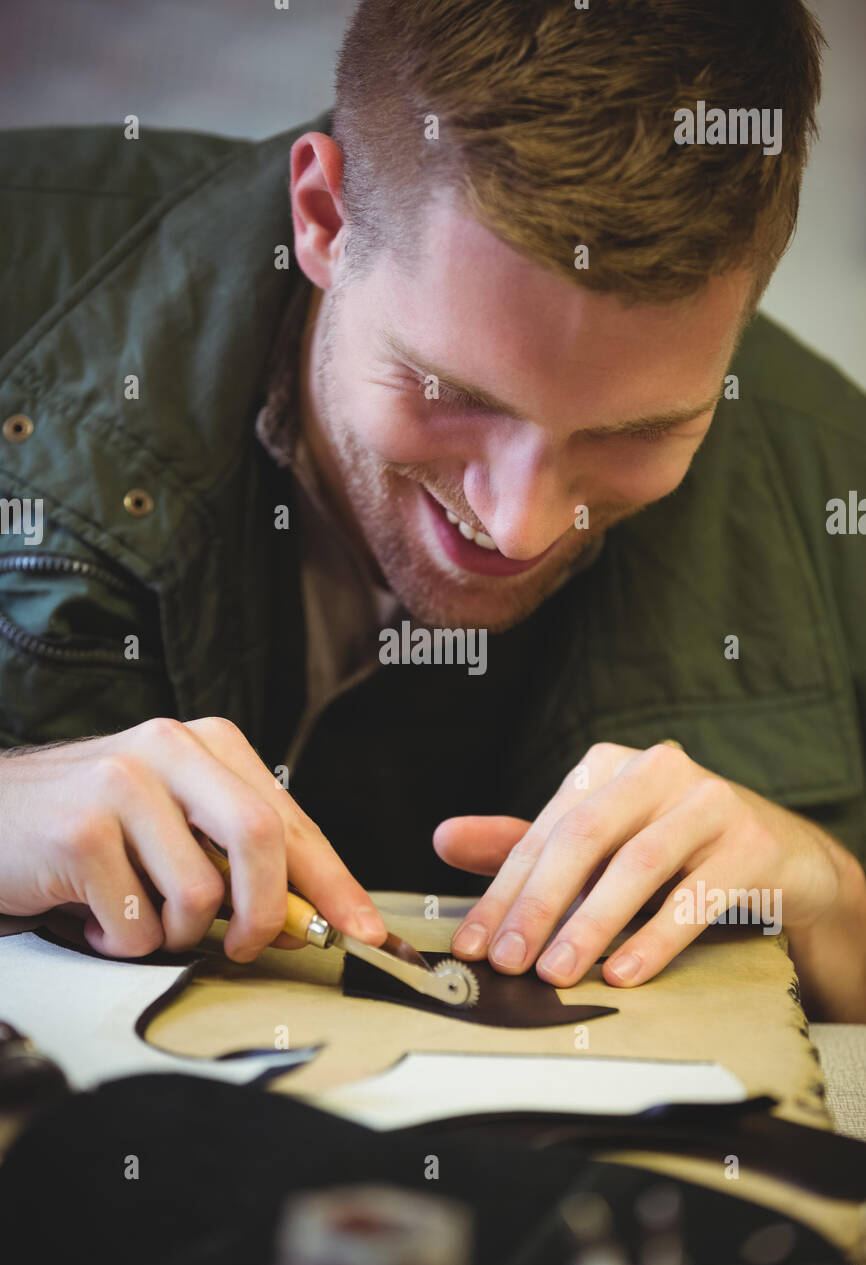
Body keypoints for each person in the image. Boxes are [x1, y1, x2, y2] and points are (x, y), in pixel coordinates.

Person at [0, 0, 863, 1021]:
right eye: (455, 395)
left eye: (636, 432)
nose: (519, 527)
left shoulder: (831, 472)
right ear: (320, 219)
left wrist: (826, 894)